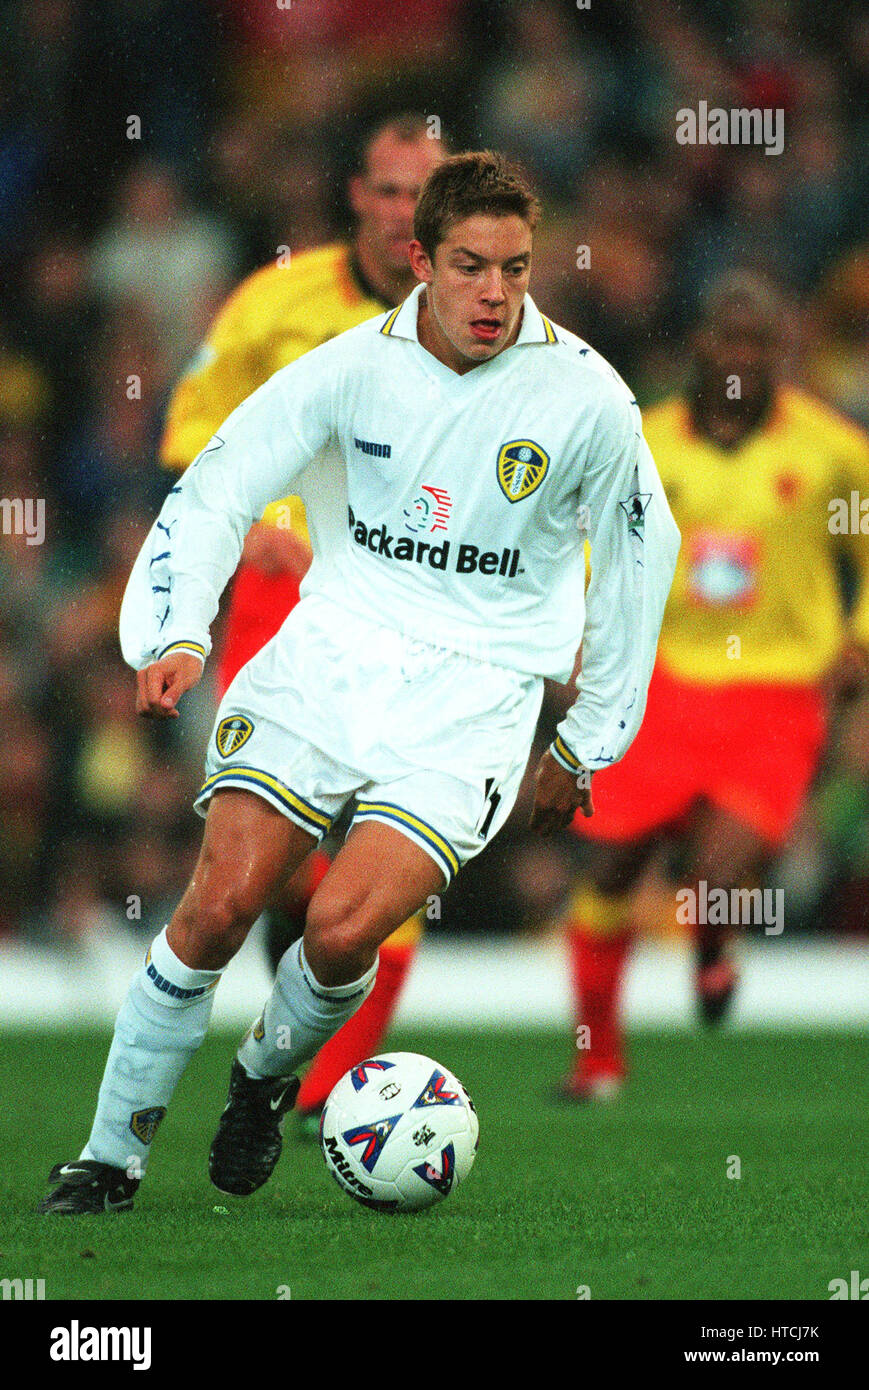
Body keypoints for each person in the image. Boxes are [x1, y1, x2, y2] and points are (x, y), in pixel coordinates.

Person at [38, 151, 679, 1213]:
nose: (494, 293)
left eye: (515, 269)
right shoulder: (347, 366)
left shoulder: (587, 400)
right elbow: (222, 482)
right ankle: (109, 1160)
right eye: (469, 266)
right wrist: (172, 629)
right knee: (215, 910)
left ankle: (258, 1078)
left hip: (475, 695)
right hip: (330, 651)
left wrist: (585, 741)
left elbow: (638, 566)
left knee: (339, 929)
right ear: (417, 258)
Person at [159, 113, 446, 1130]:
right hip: (285, 599)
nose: (405, 210)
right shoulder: (275, 302)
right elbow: (195, 427)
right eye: (389, 189)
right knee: (270, 863)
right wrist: (262, 520)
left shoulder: (479, 318)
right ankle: (297, 1002)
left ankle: (322, 1091)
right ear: (358, 198)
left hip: (418, 607)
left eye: (426, 191)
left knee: (393, 839)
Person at [559, 271, 869, 1101]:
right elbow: (600, 551)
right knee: (611, 870)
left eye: (759, 342)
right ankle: (596, 1065)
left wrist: (860, 637)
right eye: (728, 339)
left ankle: (711, 945)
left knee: (717, 872)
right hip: (660, 686)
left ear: (783, 350)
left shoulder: (831, 451)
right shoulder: (644, 442)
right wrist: (587, 644)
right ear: (698, 344)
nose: (741, 356)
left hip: (774, 692)